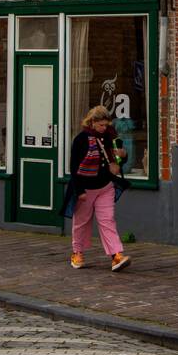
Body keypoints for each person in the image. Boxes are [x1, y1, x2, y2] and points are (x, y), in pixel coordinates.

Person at [64, 105, 131, 272]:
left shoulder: (110, 136)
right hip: (86, 188)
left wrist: (122, 158)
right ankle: (77, 253)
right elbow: (74, 167)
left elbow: (118, 158)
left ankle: (116, 255)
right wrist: (79, 191)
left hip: (105, 186)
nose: (104, 128)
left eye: (106, 125)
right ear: (92, 122)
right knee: (81, 222)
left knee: (107, 220)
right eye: (101, 125)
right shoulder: (81, 139)